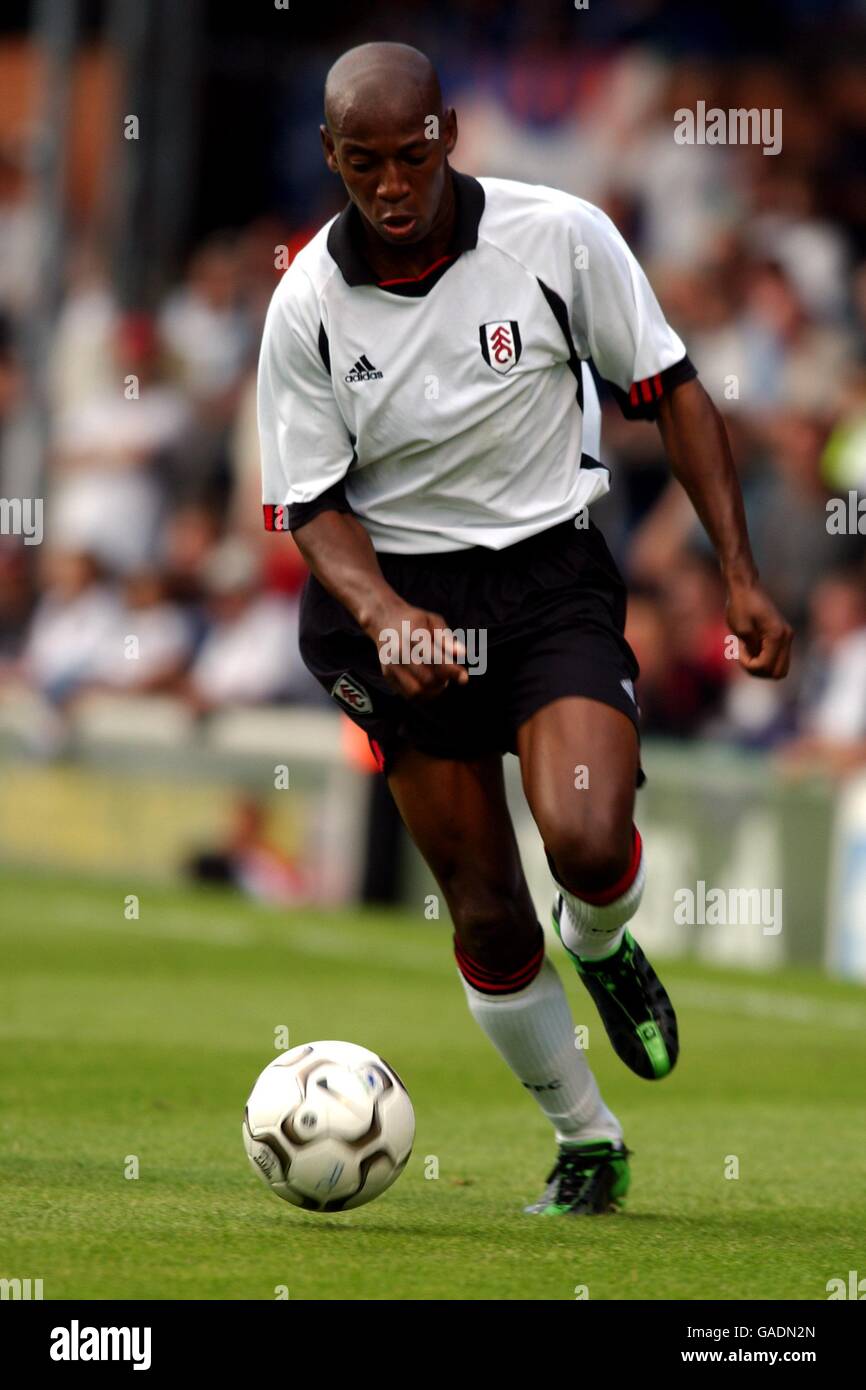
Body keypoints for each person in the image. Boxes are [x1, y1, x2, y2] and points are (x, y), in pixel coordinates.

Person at [257, 42, 792, 1216]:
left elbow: (670, 390)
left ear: (450, 134)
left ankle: (598, 942)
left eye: (409, 155)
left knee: (587, 842)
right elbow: (309, 504)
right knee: (486, 906)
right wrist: (390, 615)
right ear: (329, 156)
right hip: (388, 606)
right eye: (363, 163)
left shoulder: (559, 236)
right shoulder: (303, 305)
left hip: (546, 581)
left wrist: (738, 574)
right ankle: (583, 1137)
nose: (390, 185)